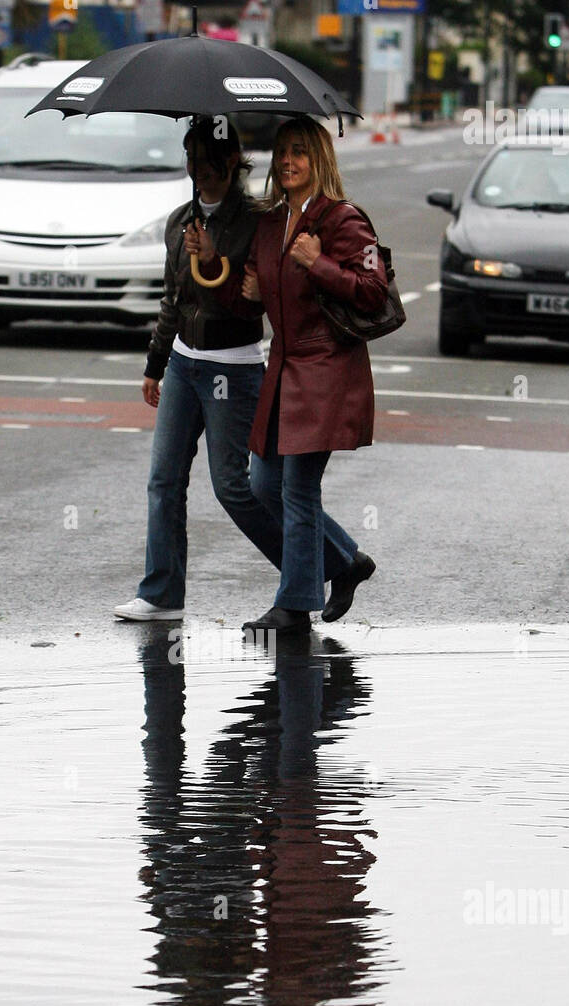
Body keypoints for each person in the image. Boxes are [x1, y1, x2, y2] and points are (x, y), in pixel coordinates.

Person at [197, 115, 389, 634]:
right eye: (282, 152)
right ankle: (345, 561)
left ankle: (295, 604)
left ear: (319, 159)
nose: (287, 162)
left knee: (298, 489)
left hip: (326, 371)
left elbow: (374, 290)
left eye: (299, 152)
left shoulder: (343, 221)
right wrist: (217, 266)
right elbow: (244, 298)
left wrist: (319, 263)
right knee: (263, 485)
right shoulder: (271, 222)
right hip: (283, 371)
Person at [115, 118, 283, 622]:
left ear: (231, 161)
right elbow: (173, 300)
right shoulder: (179, 223)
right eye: (189, 157)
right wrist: (155, 363)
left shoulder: (257, 222)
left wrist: (212, 261)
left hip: (233, 366)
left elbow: (248, 308)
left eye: (206, 159)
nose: (196, 169)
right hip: (187, 364)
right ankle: (162, 594)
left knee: (234, 487)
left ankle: (322, 561)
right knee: (163, 479)